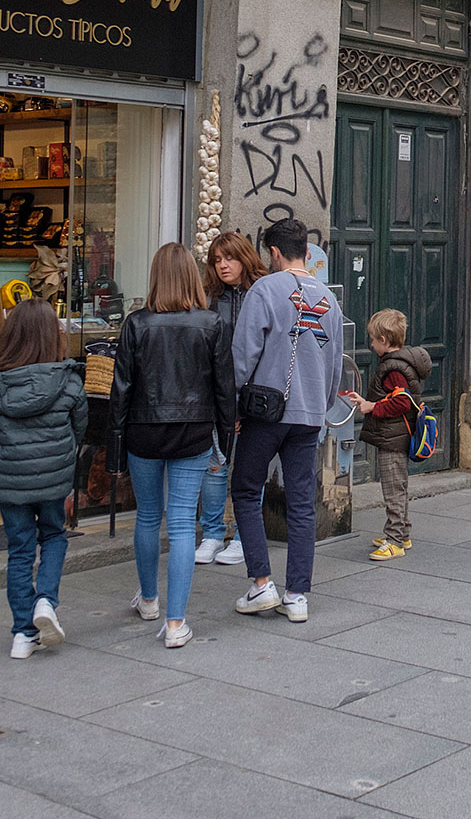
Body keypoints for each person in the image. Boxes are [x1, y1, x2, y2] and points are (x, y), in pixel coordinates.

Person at [111, 243, 236, 648]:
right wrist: (226, 439)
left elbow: (121, 390)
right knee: (183, 522)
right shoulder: (212, 323)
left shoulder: (136, 323)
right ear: (191, 277)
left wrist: (114, 443)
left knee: (148, 517)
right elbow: (224, 389)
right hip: (193, 430)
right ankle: (176, 624)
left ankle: (149, 600)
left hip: (143, 429)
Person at [231, 218, 345, 624]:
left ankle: (262, 583)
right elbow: (336, 366)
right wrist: (321, 406)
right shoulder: (329, 300)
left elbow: (243, 354)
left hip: (266, 410)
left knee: (245, 490)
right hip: (310, 413)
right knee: (301, 504)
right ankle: (297, 595)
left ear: (275, 253)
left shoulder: (265, 289)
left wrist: (236, 404)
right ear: (305, 251)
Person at [0, 298, 87, 660]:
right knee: (53, 536)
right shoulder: (67, 380)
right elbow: (79, 427)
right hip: (53, 477)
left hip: (9, 477)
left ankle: (23, 633)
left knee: (19, 551)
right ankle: (46, 602)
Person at [196, 232, 269, 567]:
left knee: (250, 468)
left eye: (229, 258)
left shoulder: (263, 290)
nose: (223, 265)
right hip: (218, 391)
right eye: (217, 259)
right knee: (215, 464)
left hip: (255, 391)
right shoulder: (210, 295)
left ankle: (243, 536)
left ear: (245, 257)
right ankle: (212, 533)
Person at [345, 308, 433, 561]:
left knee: (393, 489)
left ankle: (395, 541)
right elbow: (393, 397)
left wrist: (373, 407)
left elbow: (402, 402)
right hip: (396, 435)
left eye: (373, 340)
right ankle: (402, 533)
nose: (371, 344)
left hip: (393, 439)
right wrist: (367, 400)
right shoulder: (399, 364)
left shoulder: (394, 368)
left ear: (384, 340)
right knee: (399, 486)